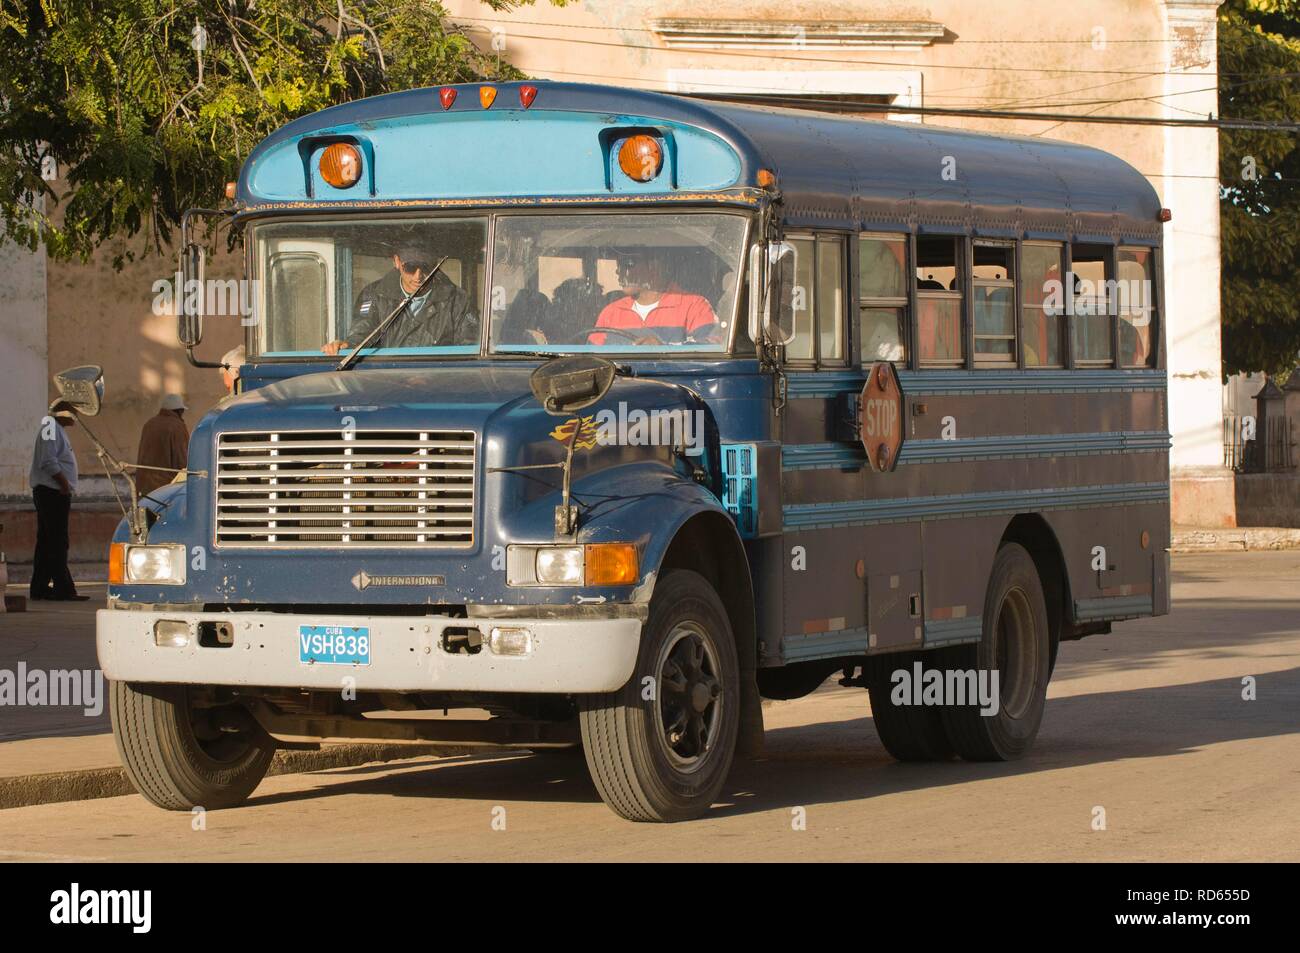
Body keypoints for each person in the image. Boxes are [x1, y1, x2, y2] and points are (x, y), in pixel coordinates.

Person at [322, 243, 477, 355]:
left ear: (435, 265)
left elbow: (469, 348)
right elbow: (362, 335)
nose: (418, 276)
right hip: (387, 382)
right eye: (410, 267)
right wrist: (346, 346)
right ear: (396, 262)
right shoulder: (374, 295)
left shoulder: (458, 300)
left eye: (426, 268)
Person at [591, 249, 721, 346]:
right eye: (618, 265)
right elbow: (590, 359)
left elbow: (713, 348)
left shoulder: (694, 306)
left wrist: (664, 349)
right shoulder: (611, 312)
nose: (618, 271)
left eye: (628, 264)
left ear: (654, 267)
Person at [29, 404, 86, 601]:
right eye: (74, 413)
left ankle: (40, 588)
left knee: (47, 542)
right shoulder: (50, 427)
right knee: (57, 542)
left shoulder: (56, 429)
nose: (77, 417)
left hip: (54, 493)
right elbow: (48, 461)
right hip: (51, 493)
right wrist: (63, 484)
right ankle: (63, 588)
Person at [136, 394, 190, 498]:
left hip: (144, 487)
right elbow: (183, 460)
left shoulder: (149, 424)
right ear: (179, 411)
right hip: (164, 488)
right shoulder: (177, 426)